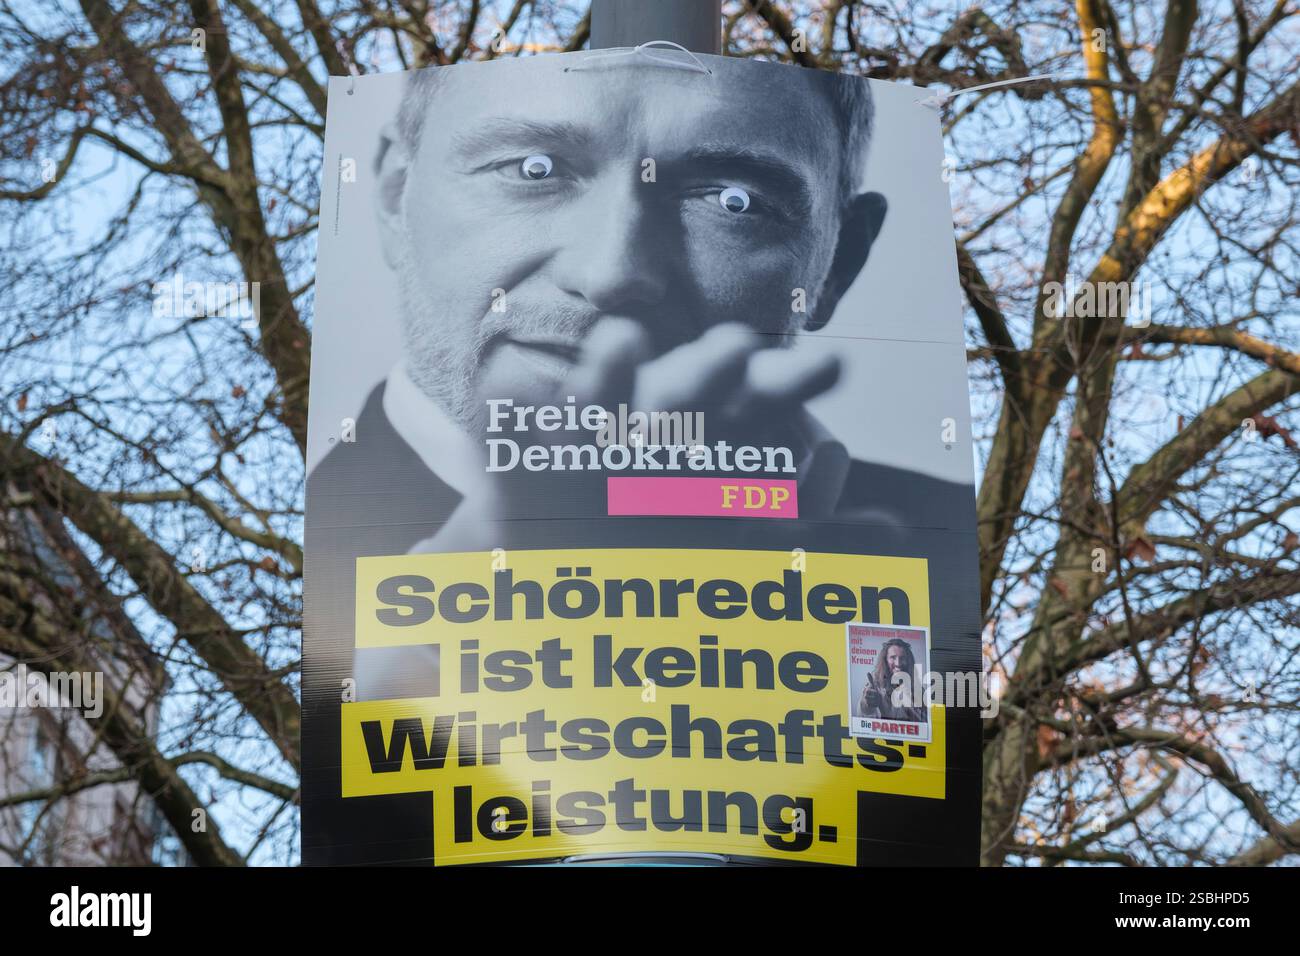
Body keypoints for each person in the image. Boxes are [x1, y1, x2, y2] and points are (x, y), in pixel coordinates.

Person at [307, 50, 973, 552]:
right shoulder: (294, 548)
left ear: (837, 264)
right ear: (394, 196)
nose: (611, 273)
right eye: (533, 169)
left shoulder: (937, 550)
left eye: (731, 201)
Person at [857, 639, 927, 724]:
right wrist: (867, 704)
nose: (898, 663)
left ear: (908, 661)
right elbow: (862, 715)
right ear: (885, 660)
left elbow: (926, 722)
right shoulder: (874, 687)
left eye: (902, 658)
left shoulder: (918, 689)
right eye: (893, 657)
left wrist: (910, 705)